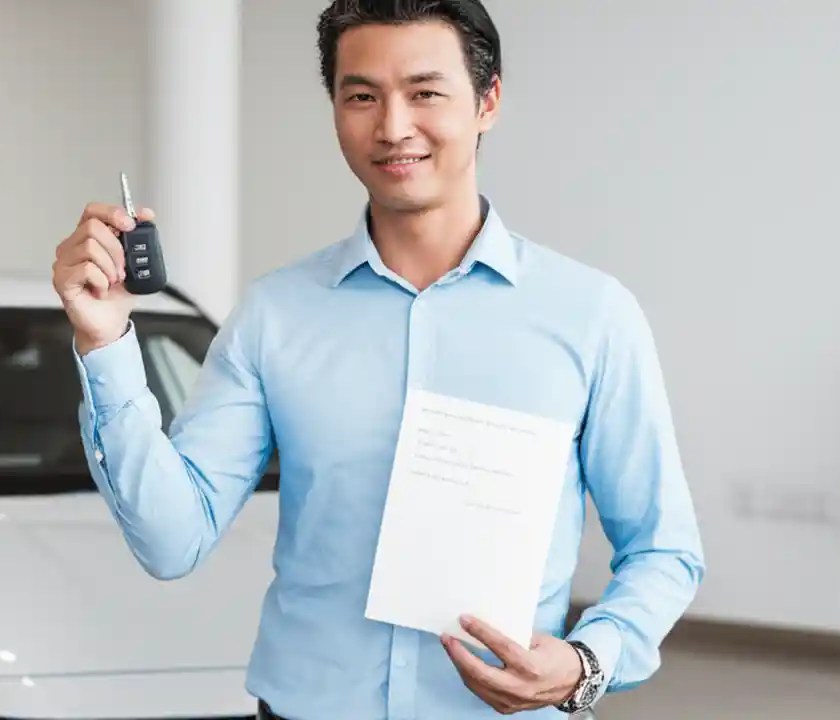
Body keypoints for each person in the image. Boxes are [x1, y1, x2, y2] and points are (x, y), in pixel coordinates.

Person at [51, 1, 705, 717]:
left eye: (425, 92)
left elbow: (663, 551)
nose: (393, 127)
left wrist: (586, 663)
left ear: (488, 100)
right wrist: (105, 341)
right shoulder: (275, 316)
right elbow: (172, 540)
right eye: (361, 96)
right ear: (334, 108)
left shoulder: (591, 317)